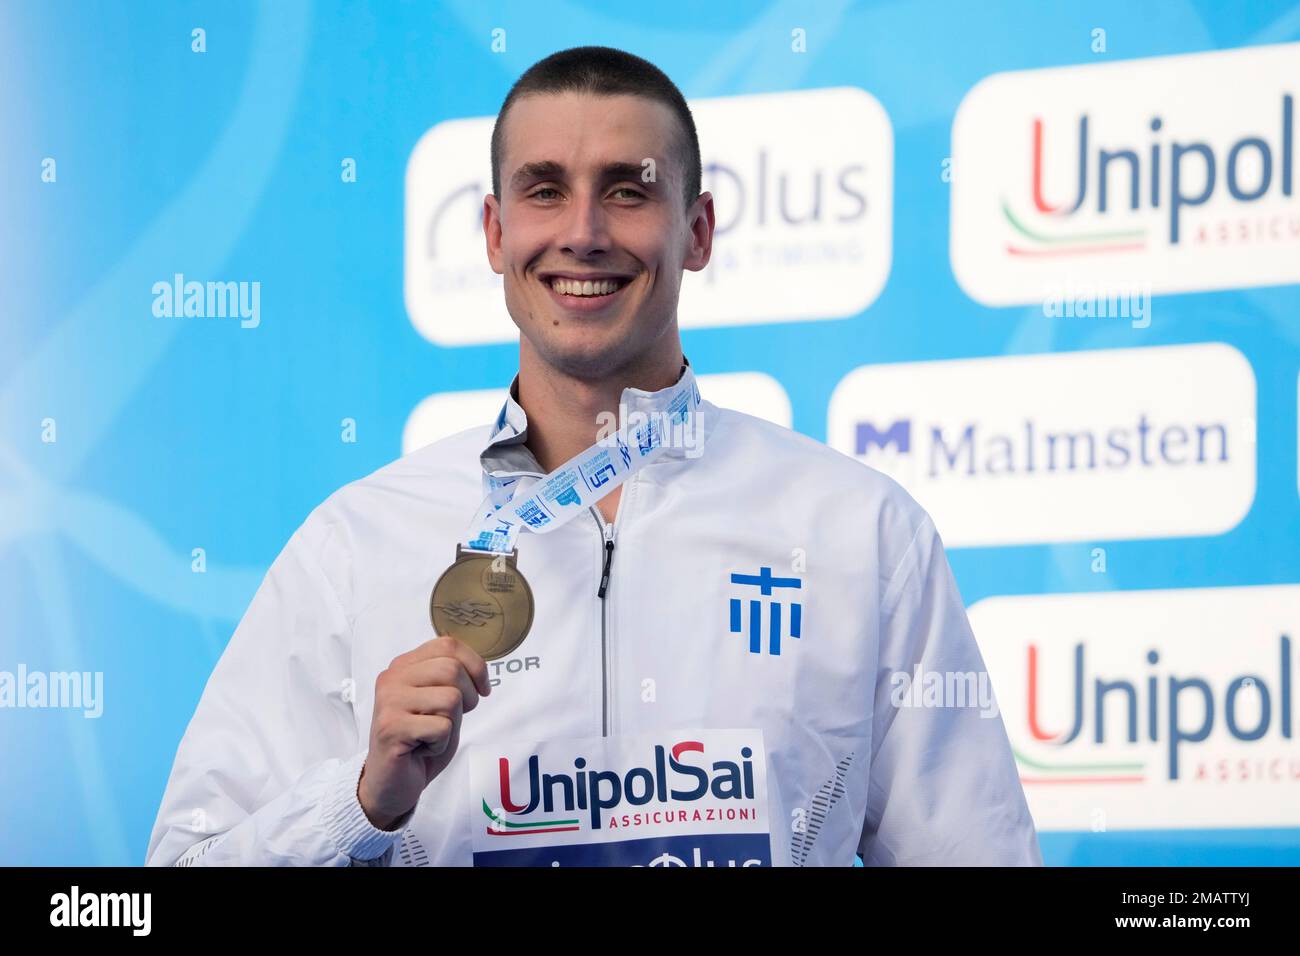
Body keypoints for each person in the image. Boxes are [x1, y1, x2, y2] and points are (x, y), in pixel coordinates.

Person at [146, 45, 1042, 867]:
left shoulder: (861, 533)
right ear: (495, 234)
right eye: (544, 190)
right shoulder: (355, 546)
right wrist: (355, 804)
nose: (582, 232)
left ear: (697, 232)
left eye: (626, 189)